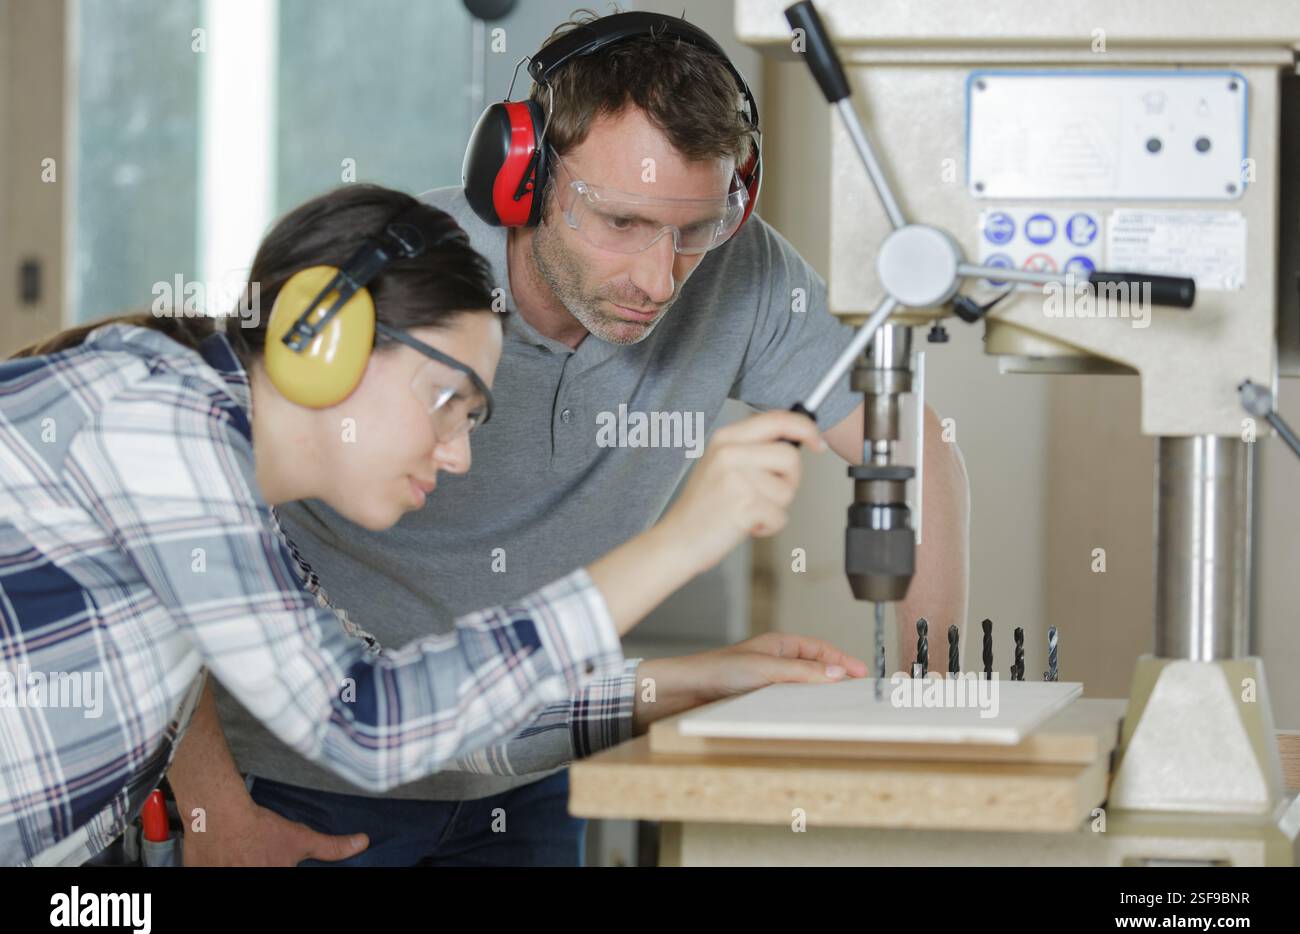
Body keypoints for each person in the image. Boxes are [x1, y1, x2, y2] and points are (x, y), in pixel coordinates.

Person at [181, 10, 970, 867]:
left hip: (531, 764)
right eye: (622, 222)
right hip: (302, 778)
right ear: (524, 177)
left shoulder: (741, 275)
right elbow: (177, 549)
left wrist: (925, 709)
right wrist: (211, 807)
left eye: (694, 230)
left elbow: (913, 446)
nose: (658, 277)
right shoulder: (403, 284)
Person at [0, 183, 865, 866]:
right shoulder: (155, 422)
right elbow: (369, 726)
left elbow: (428, 711)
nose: (457, 457)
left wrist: (687, 683)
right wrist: (678, 543)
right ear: (321, 336)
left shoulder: (226, 493)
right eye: (447, 402)